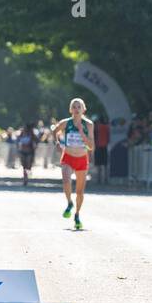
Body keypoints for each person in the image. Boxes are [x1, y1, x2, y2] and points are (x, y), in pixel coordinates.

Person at [52, 97, 95, 229]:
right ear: (70, 109)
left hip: (82, 158)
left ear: (83, 109)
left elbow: (91, 146)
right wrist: (57, 143)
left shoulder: (88, 124)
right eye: (74, 107)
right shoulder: (66, 123)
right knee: (66, 181)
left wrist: (81, 131)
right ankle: (69, 203)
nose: (76, 109)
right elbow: (55, 130)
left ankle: (76, 214)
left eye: (79, 107)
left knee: (80, 192)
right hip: (68, 157)